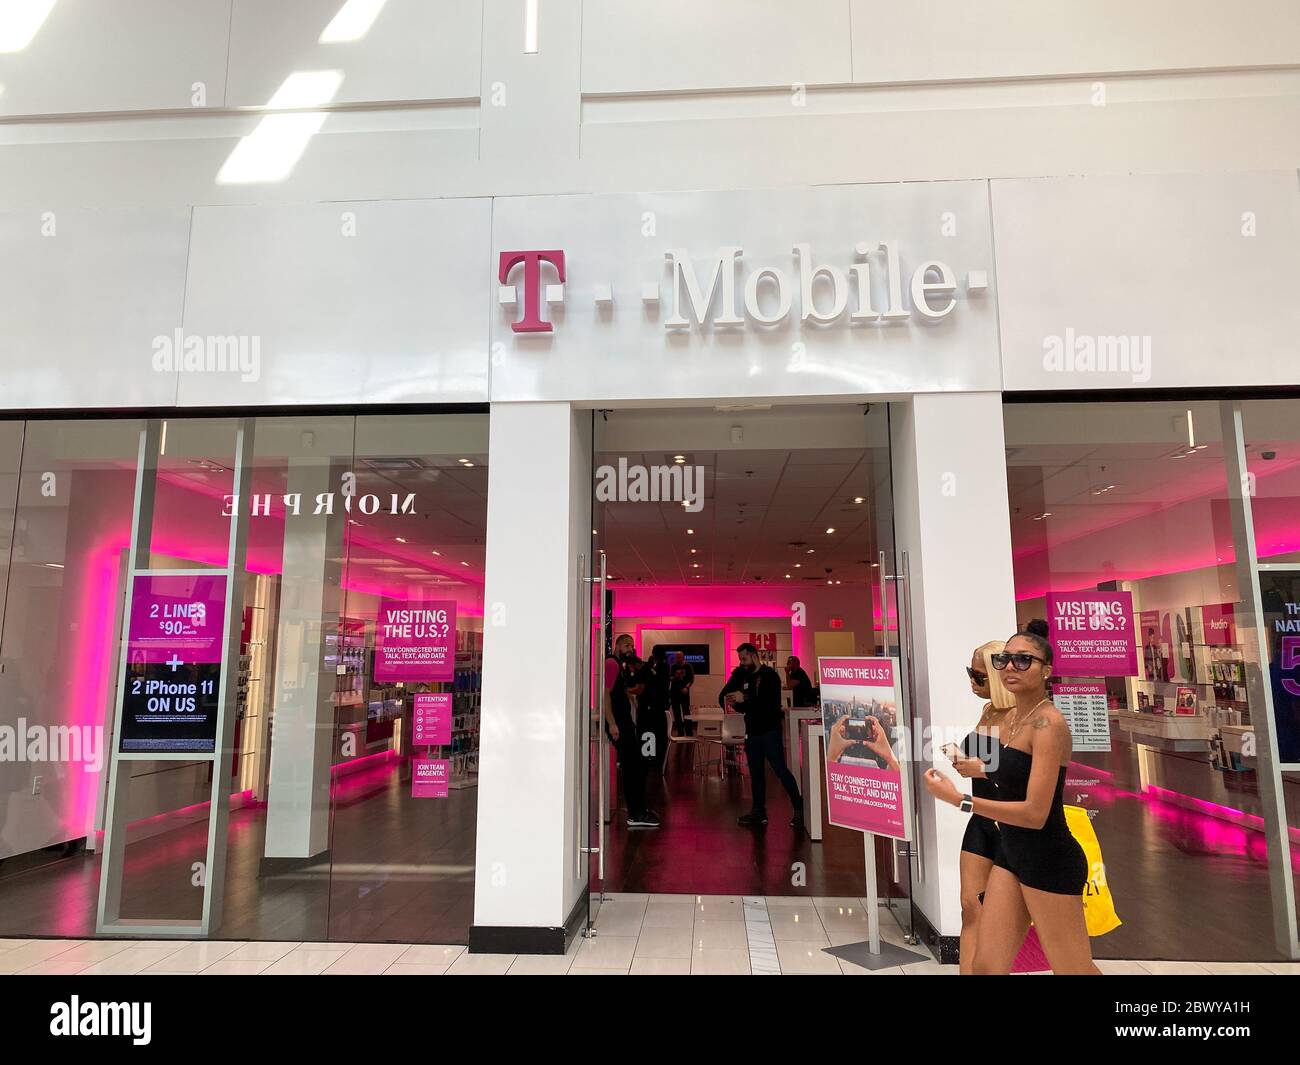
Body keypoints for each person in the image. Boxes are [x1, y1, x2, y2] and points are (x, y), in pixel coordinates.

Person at [924, 620, 1099, 975]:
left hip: (1047, 856)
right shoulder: (1013, 718)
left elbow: (1035, 813)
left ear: (1047, 670)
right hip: (1011, 853)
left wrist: (960, 799)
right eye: (1004, 659)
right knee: (987, 966)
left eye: (1023, 660)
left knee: (1073, 969)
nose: (1009, 668)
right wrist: (975, 769)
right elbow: (1007, 772)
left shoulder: (1048, 724)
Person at [939, 639, 1011, 975]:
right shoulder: (988, 711)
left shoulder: (1026, 717)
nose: (971, 681)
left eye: (978, 676)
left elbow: (1031, 772)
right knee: (970, 907)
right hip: (981, 818)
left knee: (1007, 919)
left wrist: (981, 768)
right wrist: (966, 762)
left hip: (1013, 823)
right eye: (970, 673)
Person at [718, 642, 803, 829]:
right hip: (752, 732)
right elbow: (736, 702)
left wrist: (745, 699)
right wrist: (738, 701)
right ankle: (758, 811)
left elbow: (769, 704)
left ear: (754, 655)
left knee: (781, 770)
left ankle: (799, 809)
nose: (742, 662)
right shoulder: (744, 676)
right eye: (740, 659)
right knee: (756, 774)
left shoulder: (769, 676)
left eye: (744, 658)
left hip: (770, 732)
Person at [605, 634, 660, 828]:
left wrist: (630, 698)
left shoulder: (621, 667)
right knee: (633, 768)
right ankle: (636, 813)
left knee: (635, 767)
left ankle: (639, 810)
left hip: (625, 723)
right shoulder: (611, 663)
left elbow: (620, 692)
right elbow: (604, 694)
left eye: (632, 646)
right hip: (619, 724)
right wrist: (612, 723)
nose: (630, 649)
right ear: (618, 645)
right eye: (627, 645)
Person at [636, 646, 671, 772]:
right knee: (658, 731)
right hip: (660, 704)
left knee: (653, 730)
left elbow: (654, 682)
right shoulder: (663, 666)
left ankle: (652, 757)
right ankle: (656, 756)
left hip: (655, 704)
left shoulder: (661, 667)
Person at [669, 651, 694, 736]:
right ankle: (680, 732)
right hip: (674, 692)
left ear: (683, 657)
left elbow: (691, 679)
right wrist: (675, 676)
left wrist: (687, 687)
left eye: (679, 657)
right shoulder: (673, 666)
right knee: (676, 713)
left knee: (686, 712)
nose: (677, 659)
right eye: (676, 657)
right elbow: (670, 678)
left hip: (684, 692)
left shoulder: (688, 666)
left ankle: (689, 731)